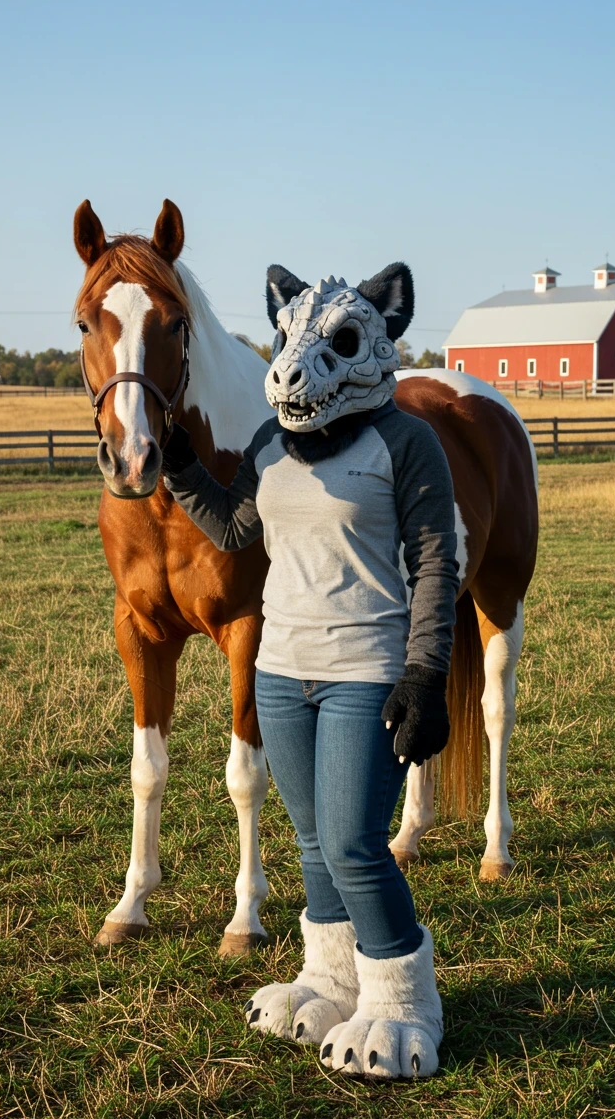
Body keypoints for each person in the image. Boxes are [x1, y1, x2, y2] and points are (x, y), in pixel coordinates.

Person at [160, 263, 459, 1080]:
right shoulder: (270, 445)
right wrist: (185, 471)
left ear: (381, 337)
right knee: (313, 846)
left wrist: (425, 675)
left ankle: (403, 1003)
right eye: (290, 341)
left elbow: (437, 563)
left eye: (334, 345)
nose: (298, 366)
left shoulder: (407, 441)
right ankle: (329, 982)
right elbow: (231, 530)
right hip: (281, 672)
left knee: (360, 845)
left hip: (369, 669)